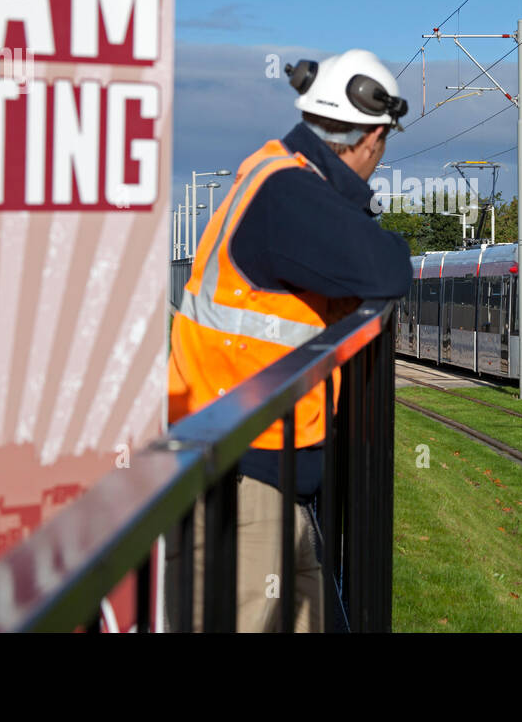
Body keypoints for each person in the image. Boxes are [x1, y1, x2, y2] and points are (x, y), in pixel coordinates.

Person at [167, 48, 412, 632]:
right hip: (240, 479)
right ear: (371, 139)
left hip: (263, 474)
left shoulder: (279, 175)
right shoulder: (288, 193)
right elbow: (386, 268)